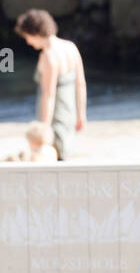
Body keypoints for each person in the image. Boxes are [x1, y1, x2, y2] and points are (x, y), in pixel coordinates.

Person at [14, 9, 87, 160]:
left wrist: (44, 127)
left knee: (53, 157)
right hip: (69, 114)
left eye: (27, 37)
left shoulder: (49, 56)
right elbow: (80, 84)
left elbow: (49, 94)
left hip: (55, 117)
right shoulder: (71, 47)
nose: (28, 42)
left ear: (35, 32)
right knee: (65, 153)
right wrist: (81, 114)